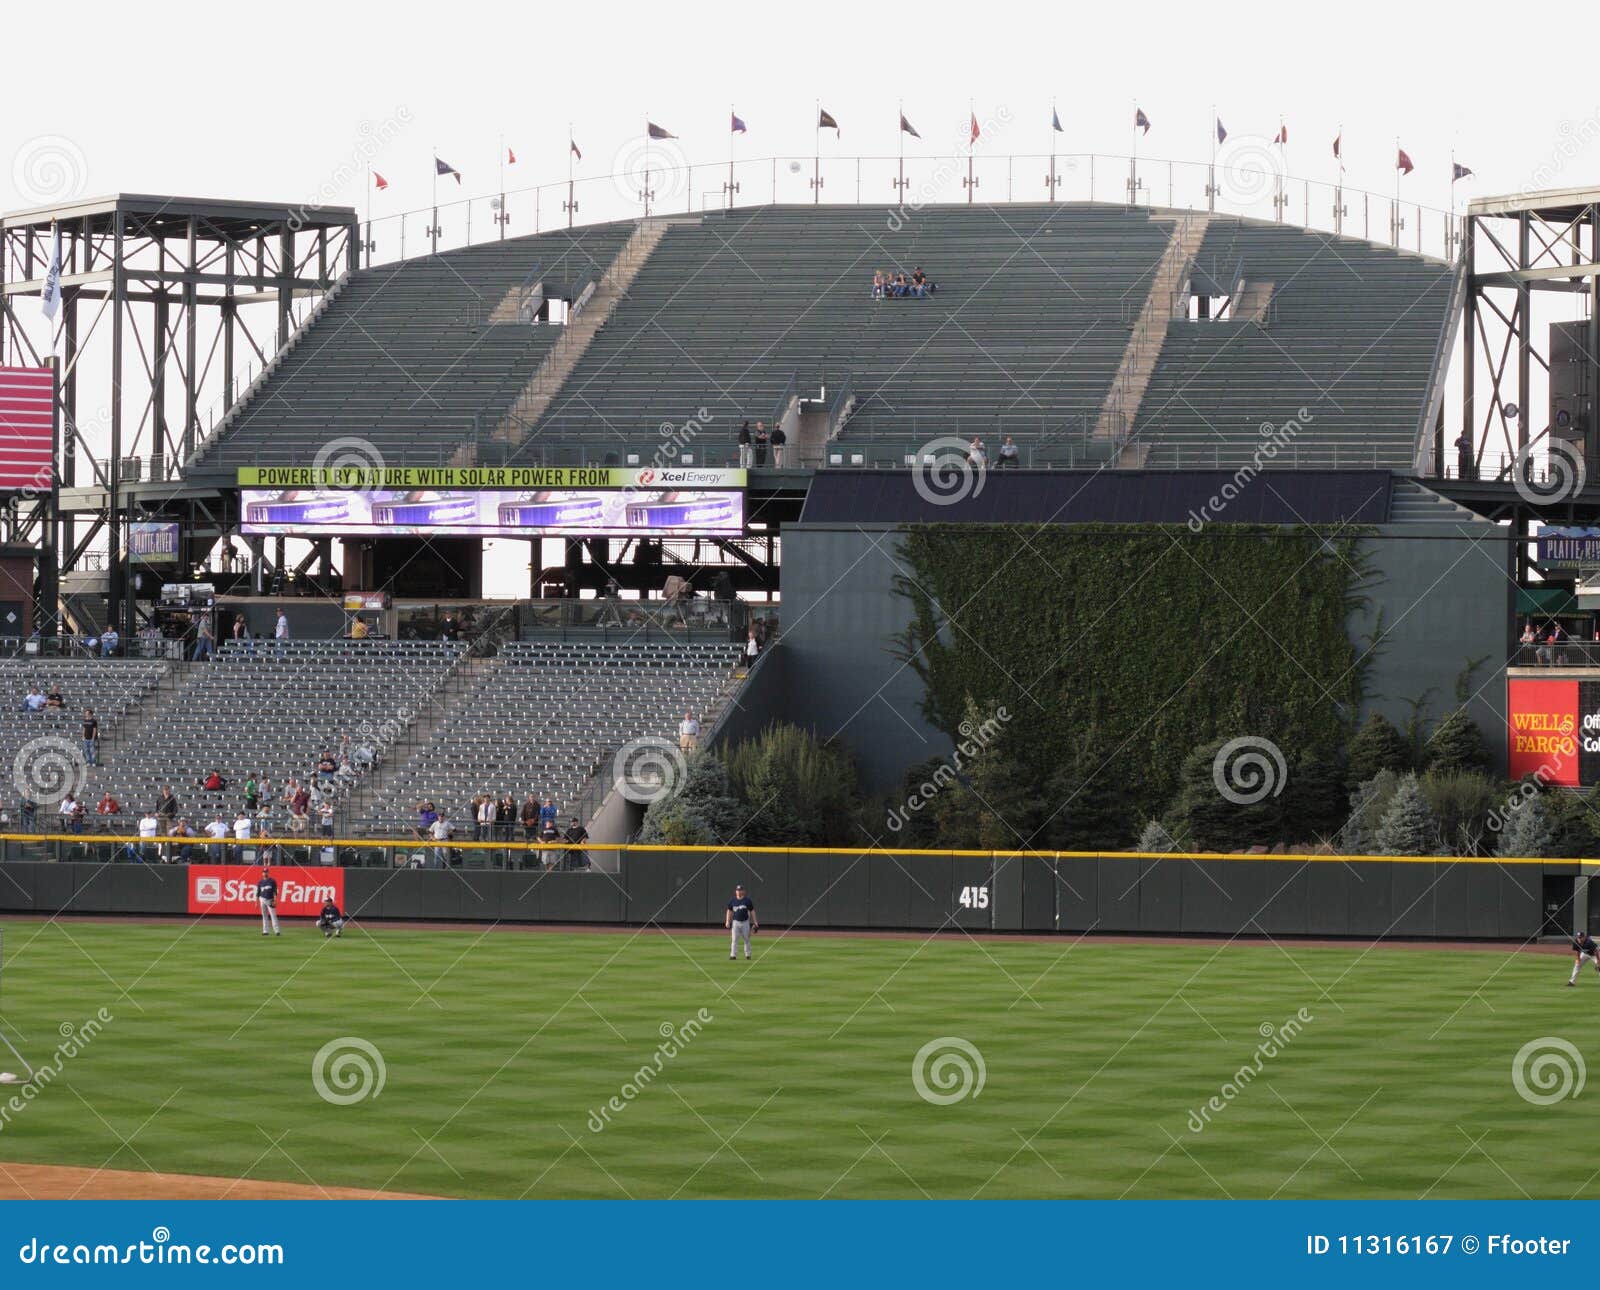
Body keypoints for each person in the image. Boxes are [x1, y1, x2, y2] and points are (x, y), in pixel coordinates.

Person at [725, 883, 757, 960]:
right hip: (735, 923)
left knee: (747, 939)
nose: (739, 892)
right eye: (737, 890)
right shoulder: (732, 900)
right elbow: (729, 911)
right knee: (734, 939)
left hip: (745, 922)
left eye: (740, 890)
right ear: (735, 891)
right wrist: (727, 921)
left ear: (743, 891)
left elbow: (752, 911)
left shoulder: (747, 900)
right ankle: (733, 955)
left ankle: (748, 955)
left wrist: (755, 921)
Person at [257, 866, 280, 936]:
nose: (265, 873)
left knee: (273, 915)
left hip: (270, 900)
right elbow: (258, 892)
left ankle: (277, 931)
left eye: (266, 872)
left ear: (268, 873)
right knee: (264, 915)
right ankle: (265, 931)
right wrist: (256, 901)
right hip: (262, 899)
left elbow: (275, 891)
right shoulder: (260, 882)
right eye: (264, 872)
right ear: (262, 873)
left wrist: (275, 900)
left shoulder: (272, 881)